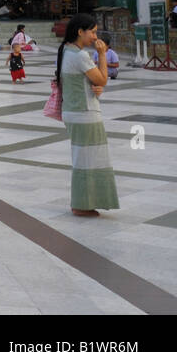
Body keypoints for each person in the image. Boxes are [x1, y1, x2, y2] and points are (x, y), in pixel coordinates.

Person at [57, 14, 119, 216]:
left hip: (75, 110)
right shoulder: (80, 55)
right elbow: (102, 79)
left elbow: (89, 83)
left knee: (86, 158)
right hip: (84, 113)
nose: (95, 36)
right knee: (88, 160)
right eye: (92, 31)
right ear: (80, 32)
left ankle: (86, 202)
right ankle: (81, 205)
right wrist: (102, 54)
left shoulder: (67, 51)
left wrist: (95, 87)